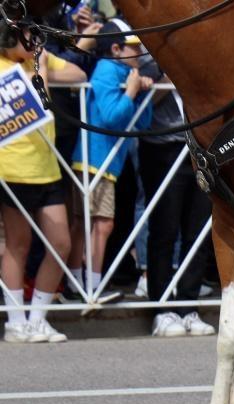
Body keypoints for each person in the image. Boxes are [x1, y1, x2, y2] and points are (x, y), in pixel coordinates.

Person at [0, 26, 87, 343]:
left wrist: (46, 67)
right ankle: (15, 321)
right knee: (17, 245)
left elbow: (77, 73)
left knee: (60, 243)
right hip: (12, 168)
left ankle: (38, 318)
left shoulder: (40, 60)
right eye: (27, 36)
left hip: (47, 167)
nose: (35, 41)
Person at [71, 18, 152, 305]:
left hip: (106, 162)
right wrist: (130, 91)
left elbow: (142, 122)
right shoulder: (107, 71)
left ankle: (79, 282)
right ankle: (91, 284)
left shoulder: (123, 71)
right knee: (100, 224)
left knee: (88, 222)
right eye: (134, 47)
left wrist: (143, 94)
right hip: (95, 160)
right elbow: (111, 117)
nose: (140, 51)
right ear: (116, 49)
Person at [136, 55, 214, 336]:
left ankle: (188, 305)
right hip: (163, 148)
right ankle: (162, 308)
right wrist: (170, 78)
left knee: (197, 233)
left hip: (199, 148)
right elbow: (144, 105)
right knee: (164, 231)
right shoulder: (148, 59)